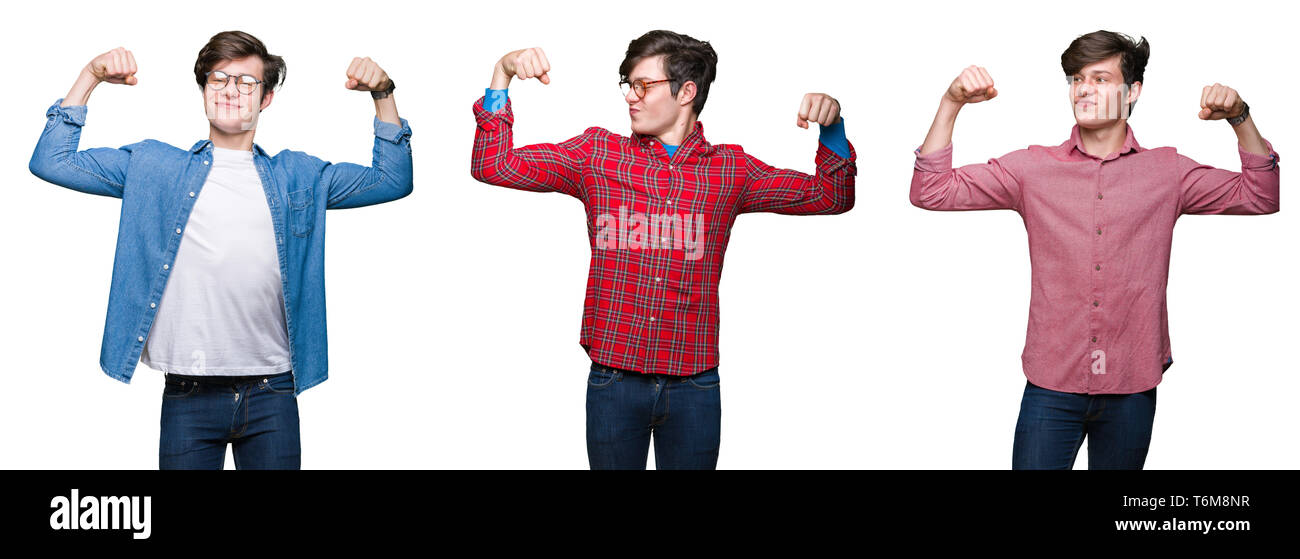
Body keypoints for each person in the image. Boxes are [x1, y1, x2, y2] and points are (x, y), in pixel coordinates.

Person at [470, 30, 857, 469]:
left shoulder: (731, 170)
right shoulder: (597, 154)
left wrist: (833, 127)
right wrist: (502, 73)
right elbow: (493, 164)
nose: (631, 98)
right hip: (613, 383)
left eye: (643, 85)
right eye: (628, 85)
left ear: (686, 91)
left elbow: (831, 197)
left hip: (694, 388)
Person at [28, 31, 414, 469]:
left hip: (272, 392)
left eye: (246, 82)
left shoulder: (299, 175)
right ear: (204, 89)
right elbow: (51, 162)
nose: (231, 90)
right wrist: (89, 77)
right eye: (219, 79)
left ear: (266, 98)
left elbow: (392, 181)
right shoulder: (154, 167)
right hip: (188, 395)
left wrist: (382, 94)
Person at [910, 30, 1279, 469]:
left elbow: (1261, 195)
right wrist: (951, 103)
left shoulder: (1167, 172)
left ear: (1131, 92)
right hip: (1052, 382)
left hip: (1131, 382)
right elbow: (930, 191)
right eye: (1077, 78)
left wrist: (1240, 117)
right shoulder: (1032, 169)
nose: (1084, 89)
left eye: (1100, 79)